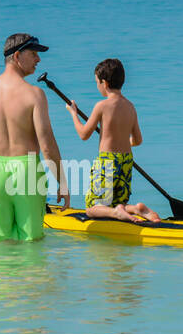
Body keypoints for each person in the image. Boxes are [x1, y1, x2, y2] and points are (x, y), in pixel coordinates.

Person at [0, 33, 69, 241]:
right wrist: (62, 182)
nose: (38, 60)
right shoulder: (34, 94)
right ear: (16, 56)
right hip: (27, 170)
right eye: (33, 54)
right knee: (32, 241)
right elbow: (48, 145)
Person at [66, 58, 161, 223]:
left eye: (97, 82)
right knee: (118, 202)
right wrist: (123, 141)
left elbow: (84, 134)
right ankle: (136, 209)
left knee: (93, 208)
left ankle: (117, 213)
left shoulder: (102, 106)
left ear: (105, 83)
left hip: (107, 161)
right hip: (126, 160)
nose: (97, 86)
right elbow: (138, 140)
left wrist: (73, 114)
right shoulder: (130, 107)